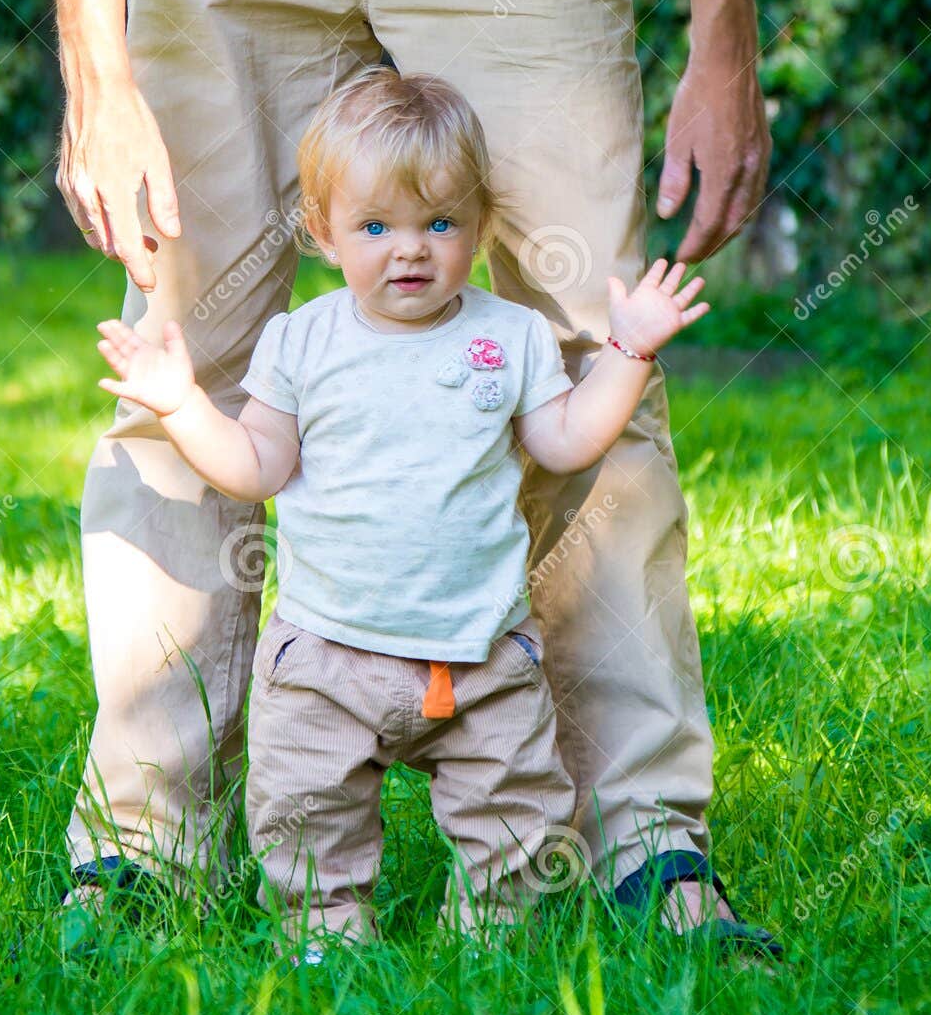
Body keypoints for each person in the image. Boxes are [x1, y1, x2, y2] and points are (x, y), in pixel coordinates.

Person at [34, 0, 775, 944]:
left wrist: (726, 41)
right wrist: (99, 73)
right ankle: (143, 844)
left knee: (591, 341)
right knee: (184, 356)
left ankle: (646, 845)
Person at [92, 70, 760, 959]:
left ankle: (490, 937)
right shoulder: (302, 341)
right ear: (323, 232)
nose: (410, 250)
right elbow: (257, 466)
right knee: (305, 810)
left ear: (480, 229)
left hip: (481, 652)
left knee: (515, 820)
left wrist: (629, 349)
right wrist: (181, 406)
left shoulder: (510, 336)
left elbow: (564, 441)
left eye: (439, 224)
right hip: (328, 652)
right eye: (376, 227)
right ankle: (326, 931)